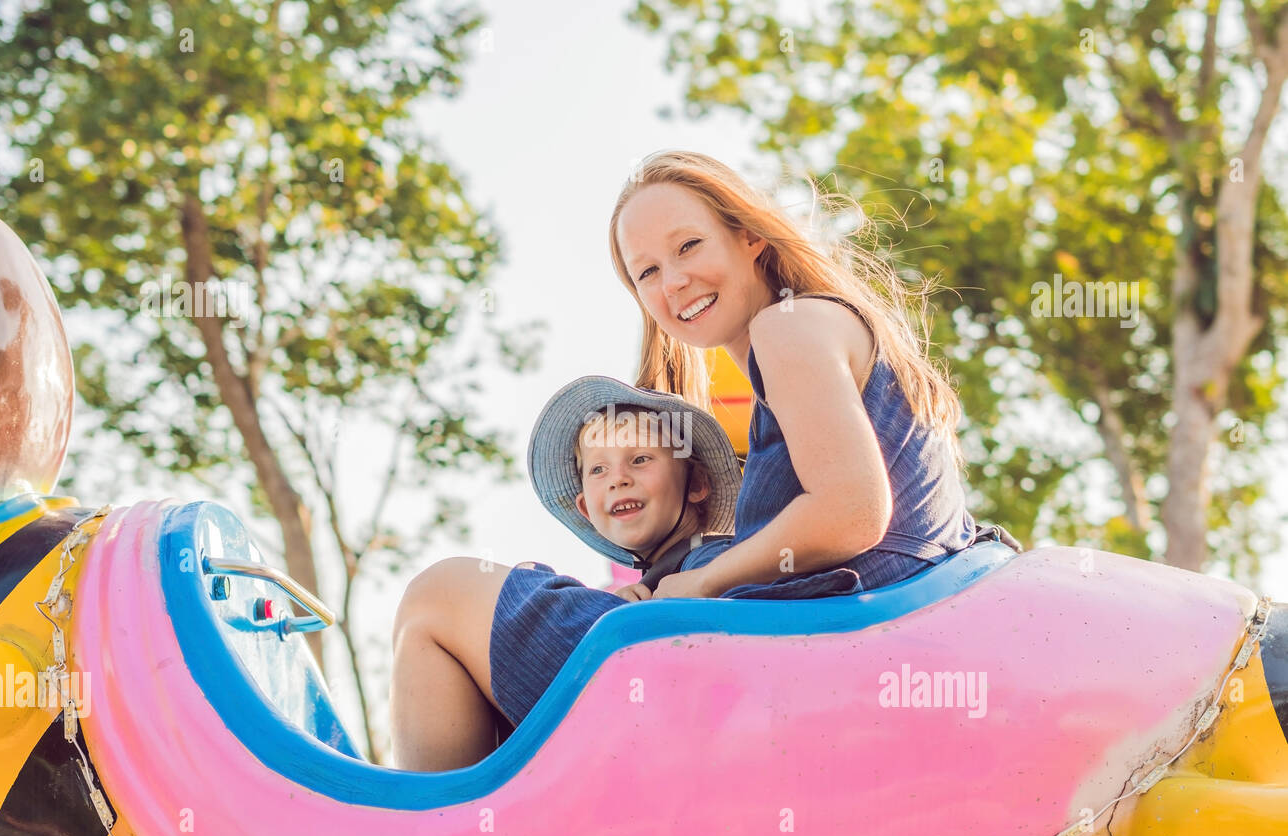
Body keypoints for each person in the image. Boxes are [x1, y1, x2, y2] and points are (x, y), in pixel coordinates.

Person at [390, 149, 1012, 772]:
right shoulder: (818, 335)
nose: (673, 282)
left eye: (688, 246)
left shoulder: (788, 328)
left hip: (782, 668)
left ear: (748, 236)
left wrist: (700, 584)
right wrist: (667, 582)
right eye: (646, 273)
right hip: (808, 645)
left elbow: (853, 511)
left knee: (440, 597)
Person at [389, 377, 744, 771]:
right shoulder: (643, 588)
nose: (618, 478)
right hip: (645, 712)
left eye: (640, 459)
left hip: (675, 703)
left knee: (440, 592)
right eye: (597, 469)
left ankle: (437, 817)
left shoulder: (714, 560)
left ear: (695, 484)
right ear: (586, 509)